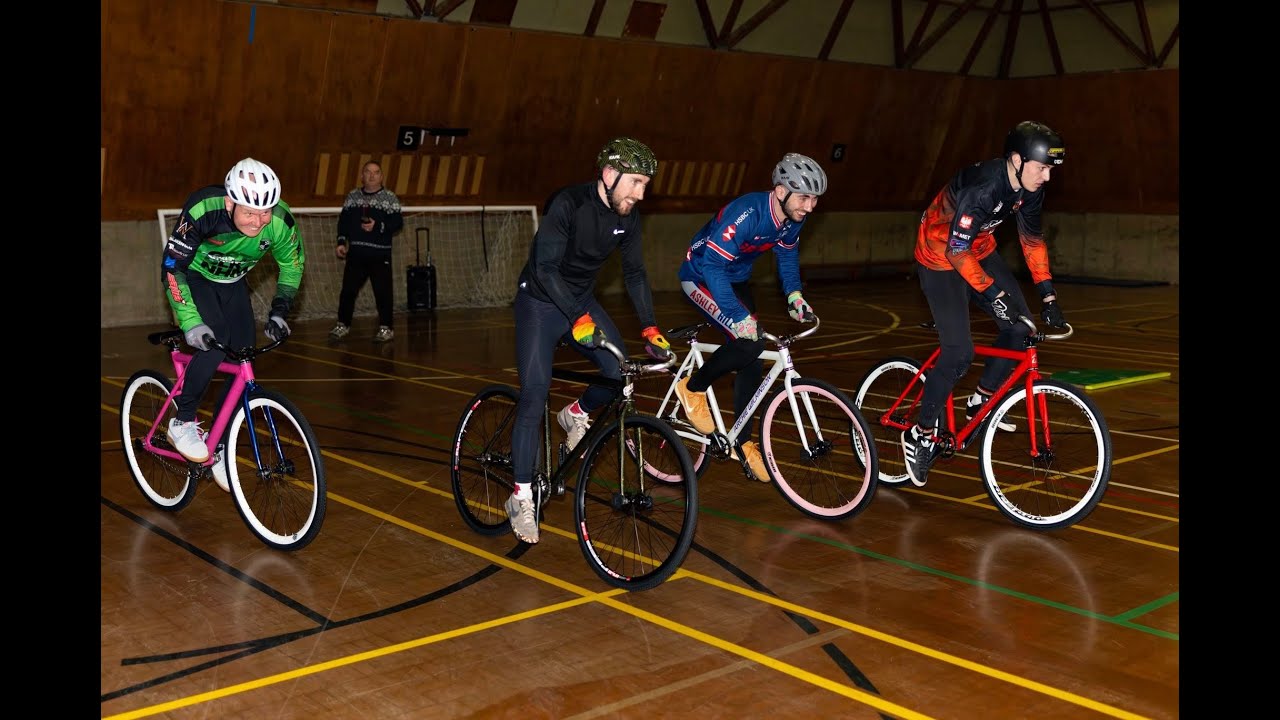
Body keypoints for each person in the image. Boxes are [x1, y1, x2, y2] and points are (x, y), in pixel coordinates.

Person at [505, 136, 672, 544]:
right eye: (635, 182)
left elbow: (634, 273)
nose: (640, 194)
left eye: (645, 185)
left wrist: (649, 327)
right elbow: (545, 268)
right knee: (534, 394)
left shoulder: (628, 215)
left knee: (620, 374)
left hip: (580, 302)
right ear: (609, 174)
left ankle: (576, 413)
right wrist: (576, 317)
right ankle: (520, 497)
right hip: (541, 304)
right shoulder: (568, 205)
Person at [901, 120, 1069, 487]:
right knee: (959, 352)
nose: (1047, 177)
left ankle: (981, 399)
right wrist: (992, 293)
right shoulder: (985, 186)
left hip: (978, 250)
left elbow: (1032, 241)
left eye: (1050, 169)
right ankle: (920, 432)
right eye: (1042, 168)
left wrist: (1048, 294)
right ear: (1016, 160)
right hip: (941, 255)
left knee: (1022, 328)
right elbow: (955, 249)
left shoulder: (1030, 186)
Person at [671, 153, 825, 483]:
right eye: (804, 197)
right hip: (701, 276)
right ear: (781, 191)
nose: (810, 207)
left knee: (752, 356)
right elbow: (712, 266)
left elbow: (786, 256)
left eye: (814, 199)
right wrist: (738, 316)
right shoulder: (748, 214)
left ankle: (742, 440)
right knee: (750, 339)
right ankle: (692, 388)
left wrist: (794, 295)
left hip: (735, 279)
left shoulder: (793, 217)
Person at [161, 157, 305, 491]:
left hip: (233, 281)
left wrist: (280, 310)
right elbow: (173, 266)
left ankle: (222, 444)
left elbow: (292, 264)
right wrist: (191, 322)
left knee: (243, 355)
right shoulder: (204, 210)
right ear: (229, 203)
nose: (259, 222)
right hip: (193, 275)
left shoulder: (280, 221)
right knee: (216, 339)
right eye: (250, 213)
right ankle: (182, 421)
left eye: (265, 212)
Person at [329, 161, 404, 342]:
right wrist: (341, 241)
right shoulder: (353, 196)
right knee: (348, 291)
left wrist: (377, 225)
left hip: (380, 255)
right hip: (356, 254)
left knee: (383, 293)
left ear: (381, 176)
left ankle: (386, 329)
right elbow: (343, 221)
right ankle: (342, 325)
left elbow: (398, 224)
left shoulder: (390, 198)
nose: (372, 176)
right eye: (368, 172)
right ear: (362, 176)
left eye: (376, 172)